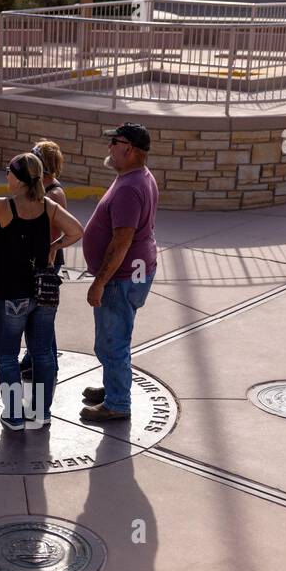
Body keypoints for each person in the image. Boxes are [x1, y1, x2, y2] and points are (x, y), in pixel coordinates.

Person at [0, 153, 83, 429]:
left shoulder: (5, 207)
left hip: (12, 293)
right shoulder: (47, 205)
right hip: (43, 293)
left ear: (19, 178)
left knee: (8, 356)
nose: (6, 175)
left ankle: (13, 415)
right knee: (43, 354)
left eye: (9, 171)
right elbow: (77, 231)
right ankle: (41, 412)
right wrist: (54, 247)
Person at [80, 122, 159, 423]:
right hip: (134, 272)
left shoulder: (129, 188)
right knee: (117, 335)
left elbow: (122, 240)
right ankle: (114, 385)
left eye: (114, 142)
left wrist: (99, 283)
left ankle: (117, 403)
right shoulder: (139, 177)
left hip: (121, 277)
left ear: (130, 149)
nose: (109, 147)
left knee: (113, 341)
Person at [20, 139, 67, 381]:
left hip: (45, 263)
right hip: (34, 260)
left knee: (42, 318)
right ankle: (30, 360)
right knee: (33, 316)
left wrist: (45, 257)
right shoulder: (38, 188)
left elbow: (54, 233)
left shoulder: (54, 193)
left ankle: (49, 365)